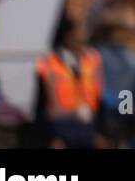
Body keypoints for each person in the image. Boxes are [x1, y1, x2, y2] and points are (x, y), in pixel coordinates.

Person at [34, 17, 102, 149]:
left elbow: (100, 95)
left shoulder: (92, 58)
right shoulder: (49, 62)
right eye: (79, 31)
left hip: (88, 127)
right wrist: (50, 137)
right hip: (61, 128)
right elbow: (41, 103)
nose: (83, 34)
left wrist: (100, 131)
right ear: (68, 35)